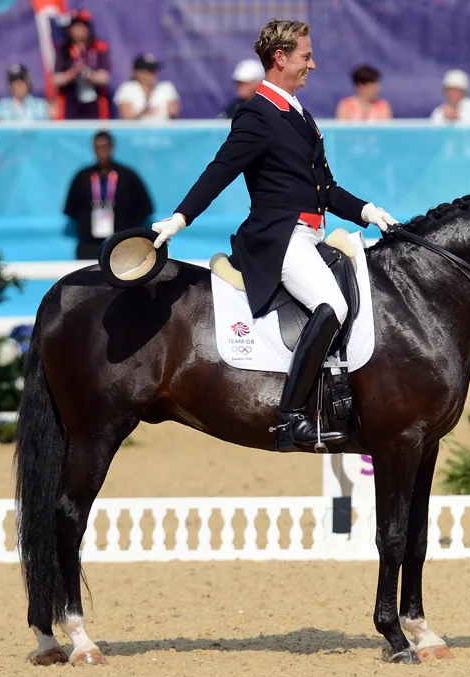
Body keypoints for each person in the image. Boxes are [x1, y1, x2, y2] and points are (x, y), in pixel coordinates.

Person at [150, 19, 398, 451]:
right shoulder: (257, 113)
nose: (313, 64)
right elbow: (221, 170)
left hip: (311, 233)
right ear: (280, 58)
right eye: (306, 56)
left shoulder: (300, 115)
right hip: (278, 237)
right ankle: (290, 417)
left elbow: (326, 188)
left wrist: (367, 211)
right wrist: (180, 217)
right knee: (332, 305)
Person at [64, 131, 153, 260]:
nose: (102, 152)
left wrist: (126, 226)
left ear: (112, 148)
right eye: (98, 148)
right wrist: (86, 224)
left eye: (105, 147)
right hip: (89, 244)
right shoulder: (82, 177)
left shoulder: (127, 176)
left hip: (122, 244)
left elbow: (145, 208)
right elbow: (71, 208)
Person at [53, 9, 111, 120]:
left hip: (95, 105)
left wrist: (87, 73)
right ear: (70, 29)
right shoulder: (63, 49)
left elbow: (105, 78)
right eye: (76, 26)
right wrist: (74, 72)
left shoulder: (99, 48)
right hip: (70, 105)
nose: (79, 29)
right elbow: (56, 80)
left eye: (83, 25)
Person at [113, 53, 181, 121]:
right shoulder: (127, 88)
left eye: (155, 70)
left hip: (163, 130)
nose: (154, 73)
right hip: (136, 131)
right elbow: (126, 116)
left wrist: (173, 111)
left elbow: (174, 113)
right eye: (149, 70)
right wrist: (144, 112)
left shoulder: (167, 87)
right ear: (138, 73)